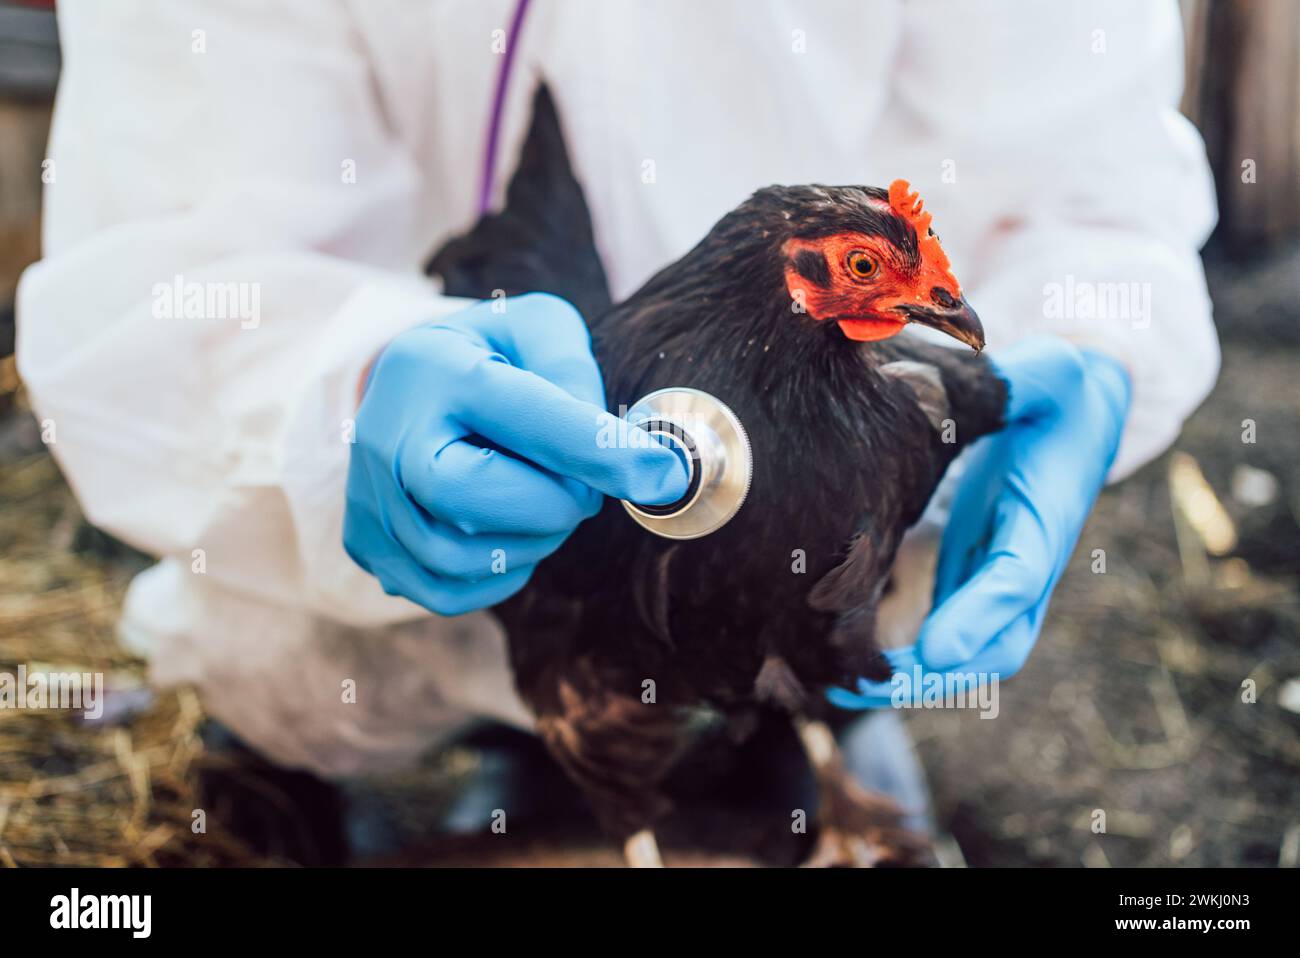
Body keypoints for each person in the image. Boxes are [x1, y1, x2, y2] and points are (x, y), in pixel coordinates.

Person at [18, 0, 1216, 827]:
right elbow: (173, 240)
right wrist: (342, 383)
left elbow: (1083, 166)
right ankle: (311, 762)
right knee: (306, 645)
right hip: (413, 521)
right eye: (865, 272)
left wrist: (1088, 342)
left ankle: (782, 737)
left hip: (829, 546)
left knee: (835, 579)